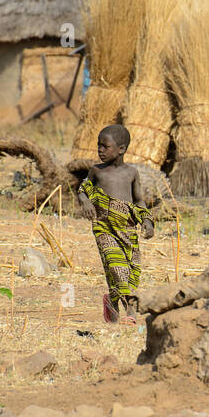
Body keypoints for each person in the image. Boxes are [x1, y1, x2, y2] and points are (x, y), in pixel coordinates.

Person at [77, 124, 156, 324]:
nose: (100, 150)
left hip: (127, 230)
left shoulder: (132, 173)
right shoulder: (96, 171)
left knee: (129, 270)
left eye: (105, 146)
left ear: (121, 149)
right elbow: (83, 189)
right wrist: (85, 201)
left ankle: (112, 303)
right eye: (98, 145)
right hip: (104, 228)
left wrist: (147, 220)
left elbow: (138, 200)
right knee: (115, 265)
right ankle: (131, 310)